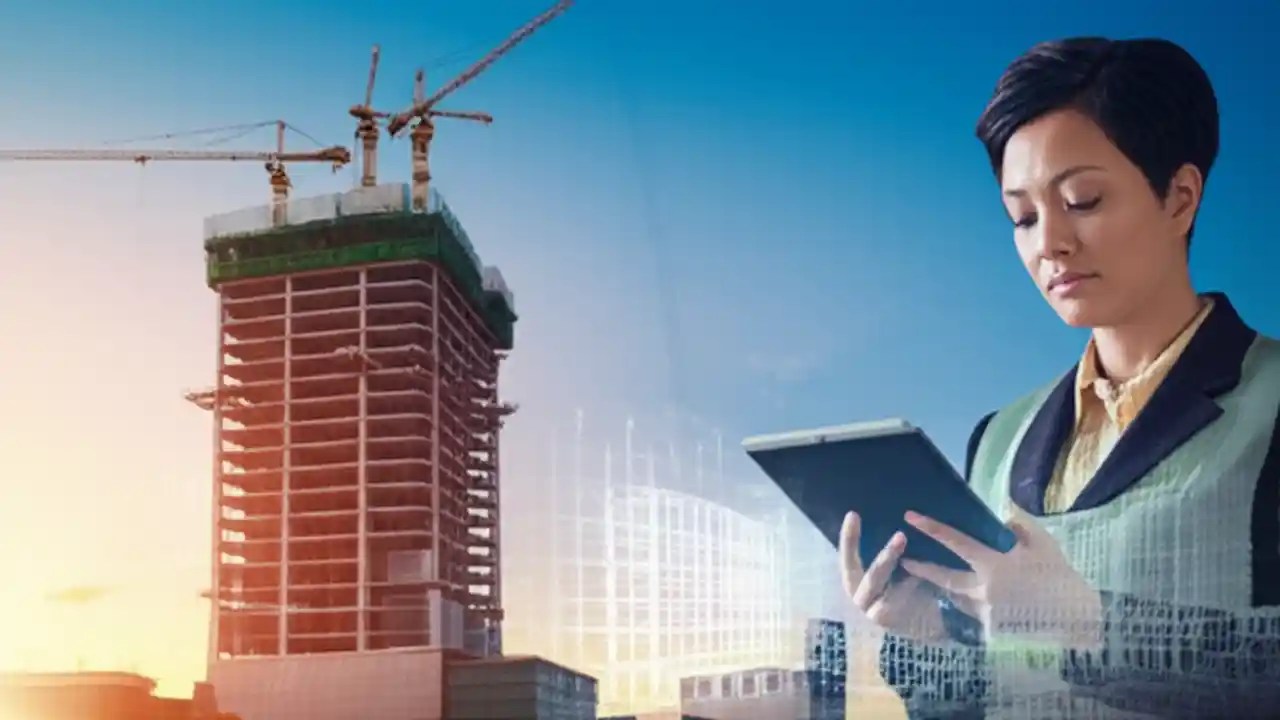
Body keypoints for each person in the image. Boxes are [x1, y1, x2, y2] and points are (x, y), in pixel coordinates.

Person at [839, 36, 1280, 719]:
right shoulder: (997, 439)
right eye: (1023, 216)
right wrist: (928, 634)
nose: (1049, 242)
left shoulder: (1272, 402)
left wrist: (1086, 625)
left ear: (1180, 198)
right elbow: (972, 708)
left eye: (1082, 200)